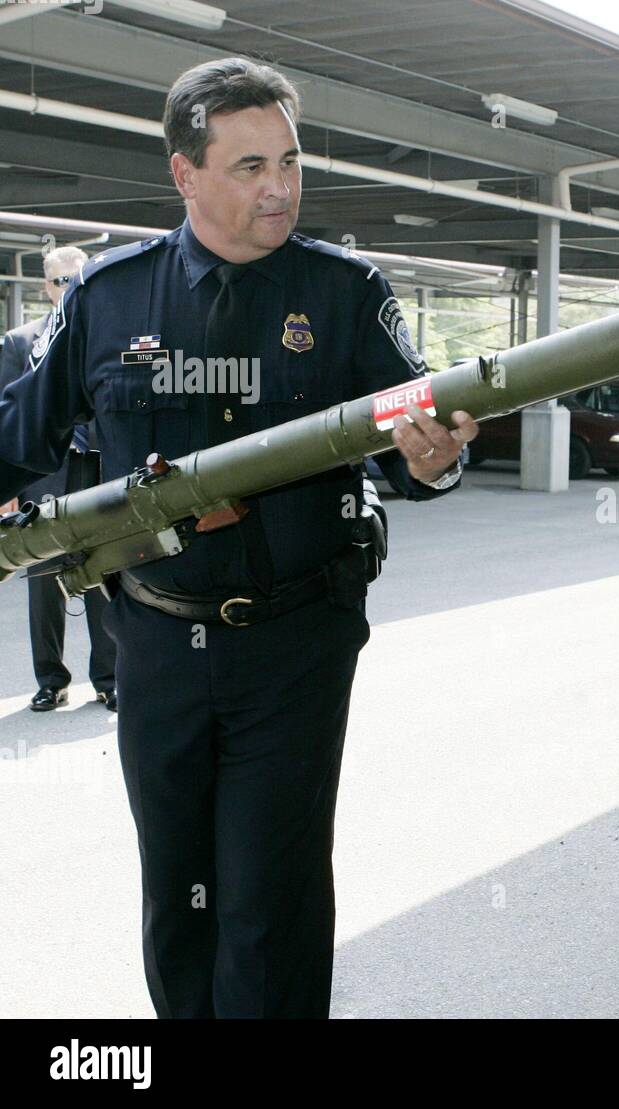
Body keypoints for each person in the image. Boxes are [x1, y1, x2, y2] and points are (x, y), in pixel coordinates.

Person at [0, 57, 479, 1018]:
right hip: (155, 646)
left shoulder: (347, 293)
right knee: (178, 899)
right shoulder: (108, 297)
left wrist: (436, 462)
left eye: (291, 162)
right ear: (185, 173)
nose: (280, 188)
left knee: (270, 904)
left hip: (295, 644)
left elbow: (416, 451)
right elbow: (19, 436)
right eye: (251, 166)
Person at [0, 246, 117, 712]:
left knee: (103, 571)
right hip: (43, 474)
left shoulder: (106, 332)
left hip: (97, 468)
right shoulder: (18, 342)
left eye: (76, 278)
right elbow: (9, 414)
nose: (68, 288)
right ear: (46, 286)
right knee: (43, 580)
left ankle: (108, 679)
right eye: (60, 281)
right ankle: (51, 680)